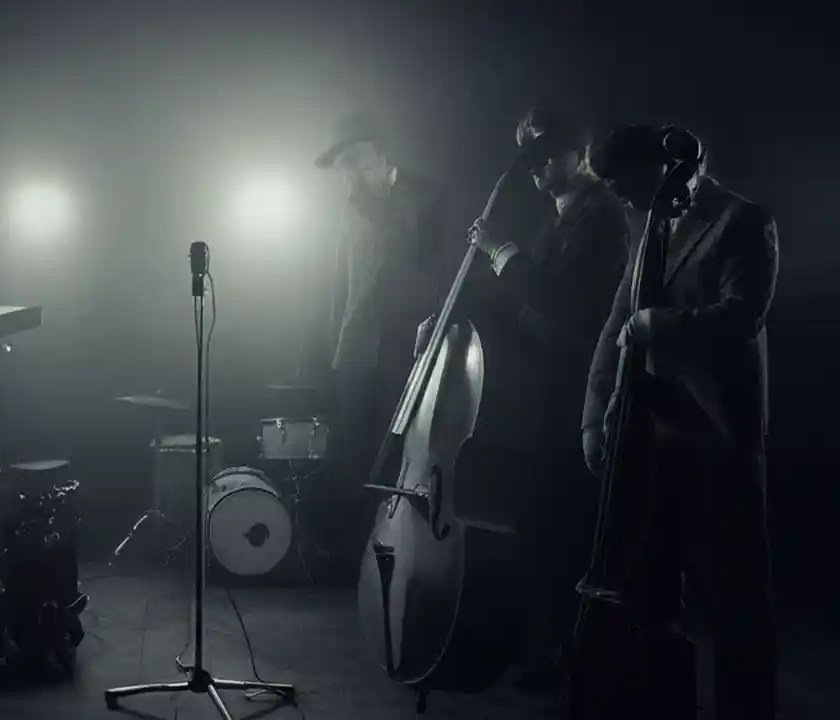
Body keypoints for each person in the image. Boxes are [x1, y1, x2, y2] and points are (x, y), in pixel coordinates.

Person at [580, 124, 778, 719]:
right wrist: (594, 419)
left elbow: (742, 316)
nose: (620, 199)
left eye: (622, 185)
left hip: (718, 434)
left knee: (733, 596)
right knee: (653, 590)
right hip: (650, 434)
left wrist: (660, 326)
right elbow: (616, 323)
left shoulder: (744, 220)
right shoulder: (653, 224)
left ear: (656, 167)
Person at [465, 106, 630, 690]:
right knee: (540, 526)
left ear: (577, 155)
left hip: (574, 394)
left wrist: (501, 254)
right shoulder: (559, 219)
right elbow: (526, 306)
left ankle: (566, 657)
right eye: (528, 158)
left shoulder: (603, 217)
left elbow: (560, 302)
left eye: (544, 156)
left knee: (563, 529)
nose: (535, 169)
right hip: (544, 394)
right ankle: (544, 650)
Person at [315, 111, 448, 579]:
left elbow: (439, 277)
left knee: (400, 458)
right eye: (344, 165)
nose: (350, 172)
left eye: (355, 160)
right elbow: (341, 283)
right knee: (355, 453)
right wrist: (335, 346)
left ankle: (398, 561)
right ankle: (356, 564)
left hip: (406, 350)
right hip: (355, 352)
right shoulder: (351, 206)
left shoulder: (427, 197)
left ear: (379, 152)